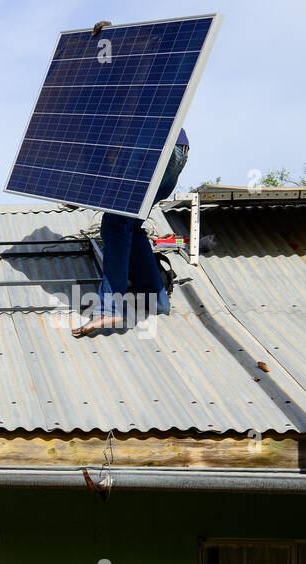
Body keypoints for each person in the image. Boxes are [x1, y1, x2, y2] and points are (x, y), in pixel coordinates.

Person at [72, 21, 191, 338]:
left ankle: (108, 309)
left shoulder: (99, 105)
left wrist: (112, 37)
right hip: (177, 150)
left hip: (153, 146)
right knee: (129, 222)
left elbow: (123, 64)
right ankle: (158, 300)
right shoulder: (101, 110)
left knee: (113, 223)